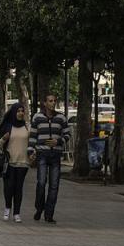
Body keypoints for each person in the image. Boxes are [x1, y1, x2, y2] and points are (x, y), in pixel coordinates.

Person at [29, 93, 70, 224]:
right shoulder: (37, 117)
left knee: (54, 185)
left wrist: (58, 142)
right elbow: (33, 136)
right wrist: (31, 151)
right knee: (41, 183)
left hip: (55, 155)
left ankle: (49, 214)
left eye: (54, 101)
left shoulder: (61, 118)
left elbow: (68, 134)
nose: (52, 103)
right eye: (50, 101)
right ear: (45, 103)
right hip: (42, 154)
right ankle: (39, 207)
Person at [0, 103, 31, 222]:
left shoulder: (27, 127)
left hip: (23, 163)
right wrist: (4, 139)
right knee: (9, 187)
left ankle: (17, 213)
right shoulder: (8, 127)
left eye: (22, 111)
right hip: (10, 162)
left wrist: (33, 155)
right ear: (13, 112)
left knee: (18, 188)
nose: (21, 113)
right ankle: (7, 209)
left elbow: (31, 145)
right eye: (18, 111)